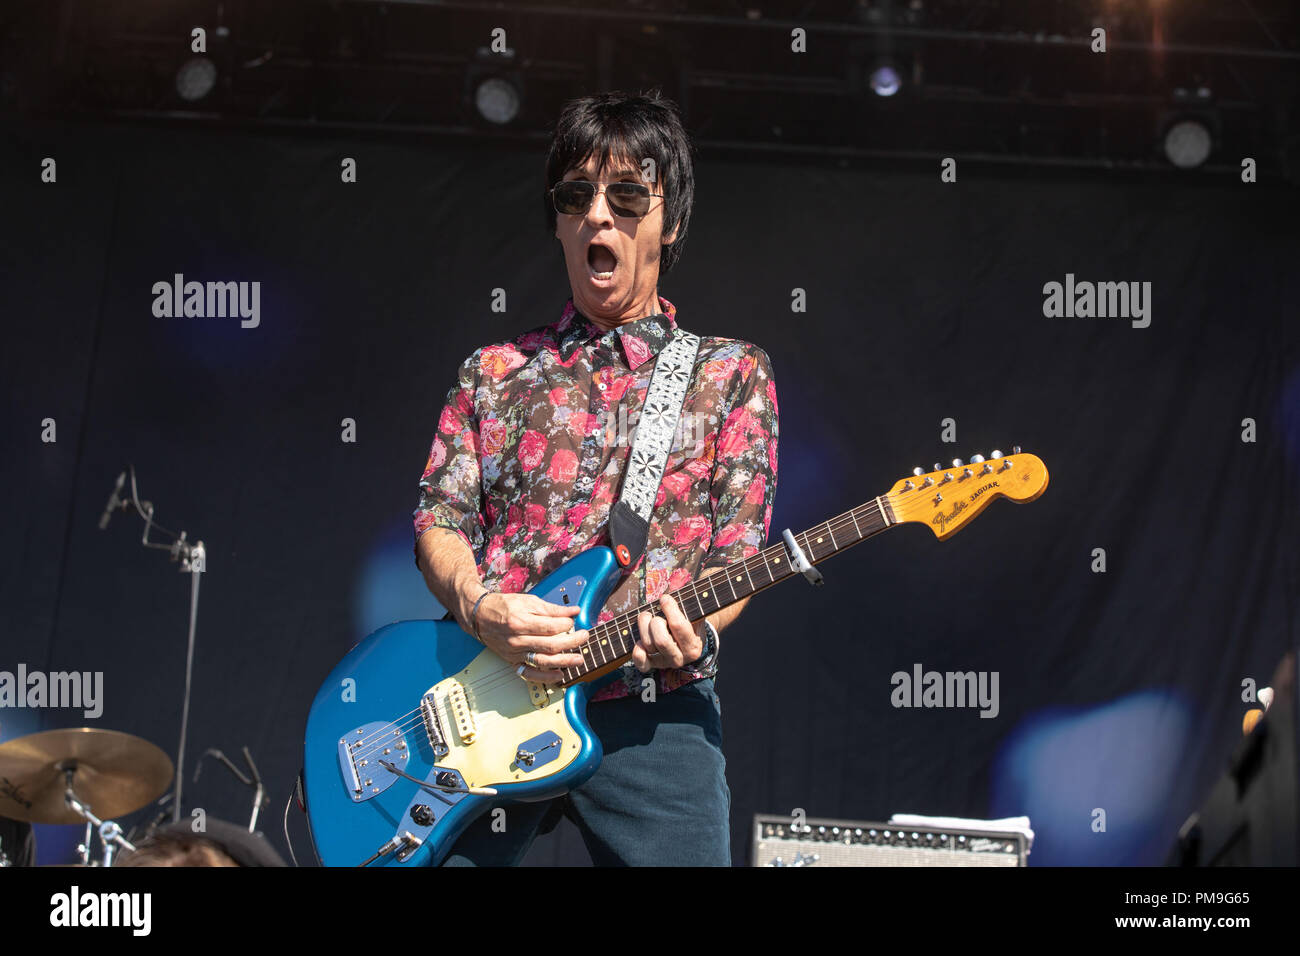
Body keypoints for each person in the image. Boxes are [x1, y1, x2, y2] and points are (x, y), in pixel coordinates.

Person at [413, 89, 778, 865]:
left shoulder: (730, 373)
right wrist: (480, 608)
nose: (599, 216)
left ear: (668, 220)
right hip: (489, 701)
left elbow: (739, 556)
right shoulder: (494, 373)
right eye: (576, 195)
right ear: (557, 220)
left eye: (627, 195)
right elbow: (439, 520)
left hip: (656, 714)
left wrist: (699, 626)